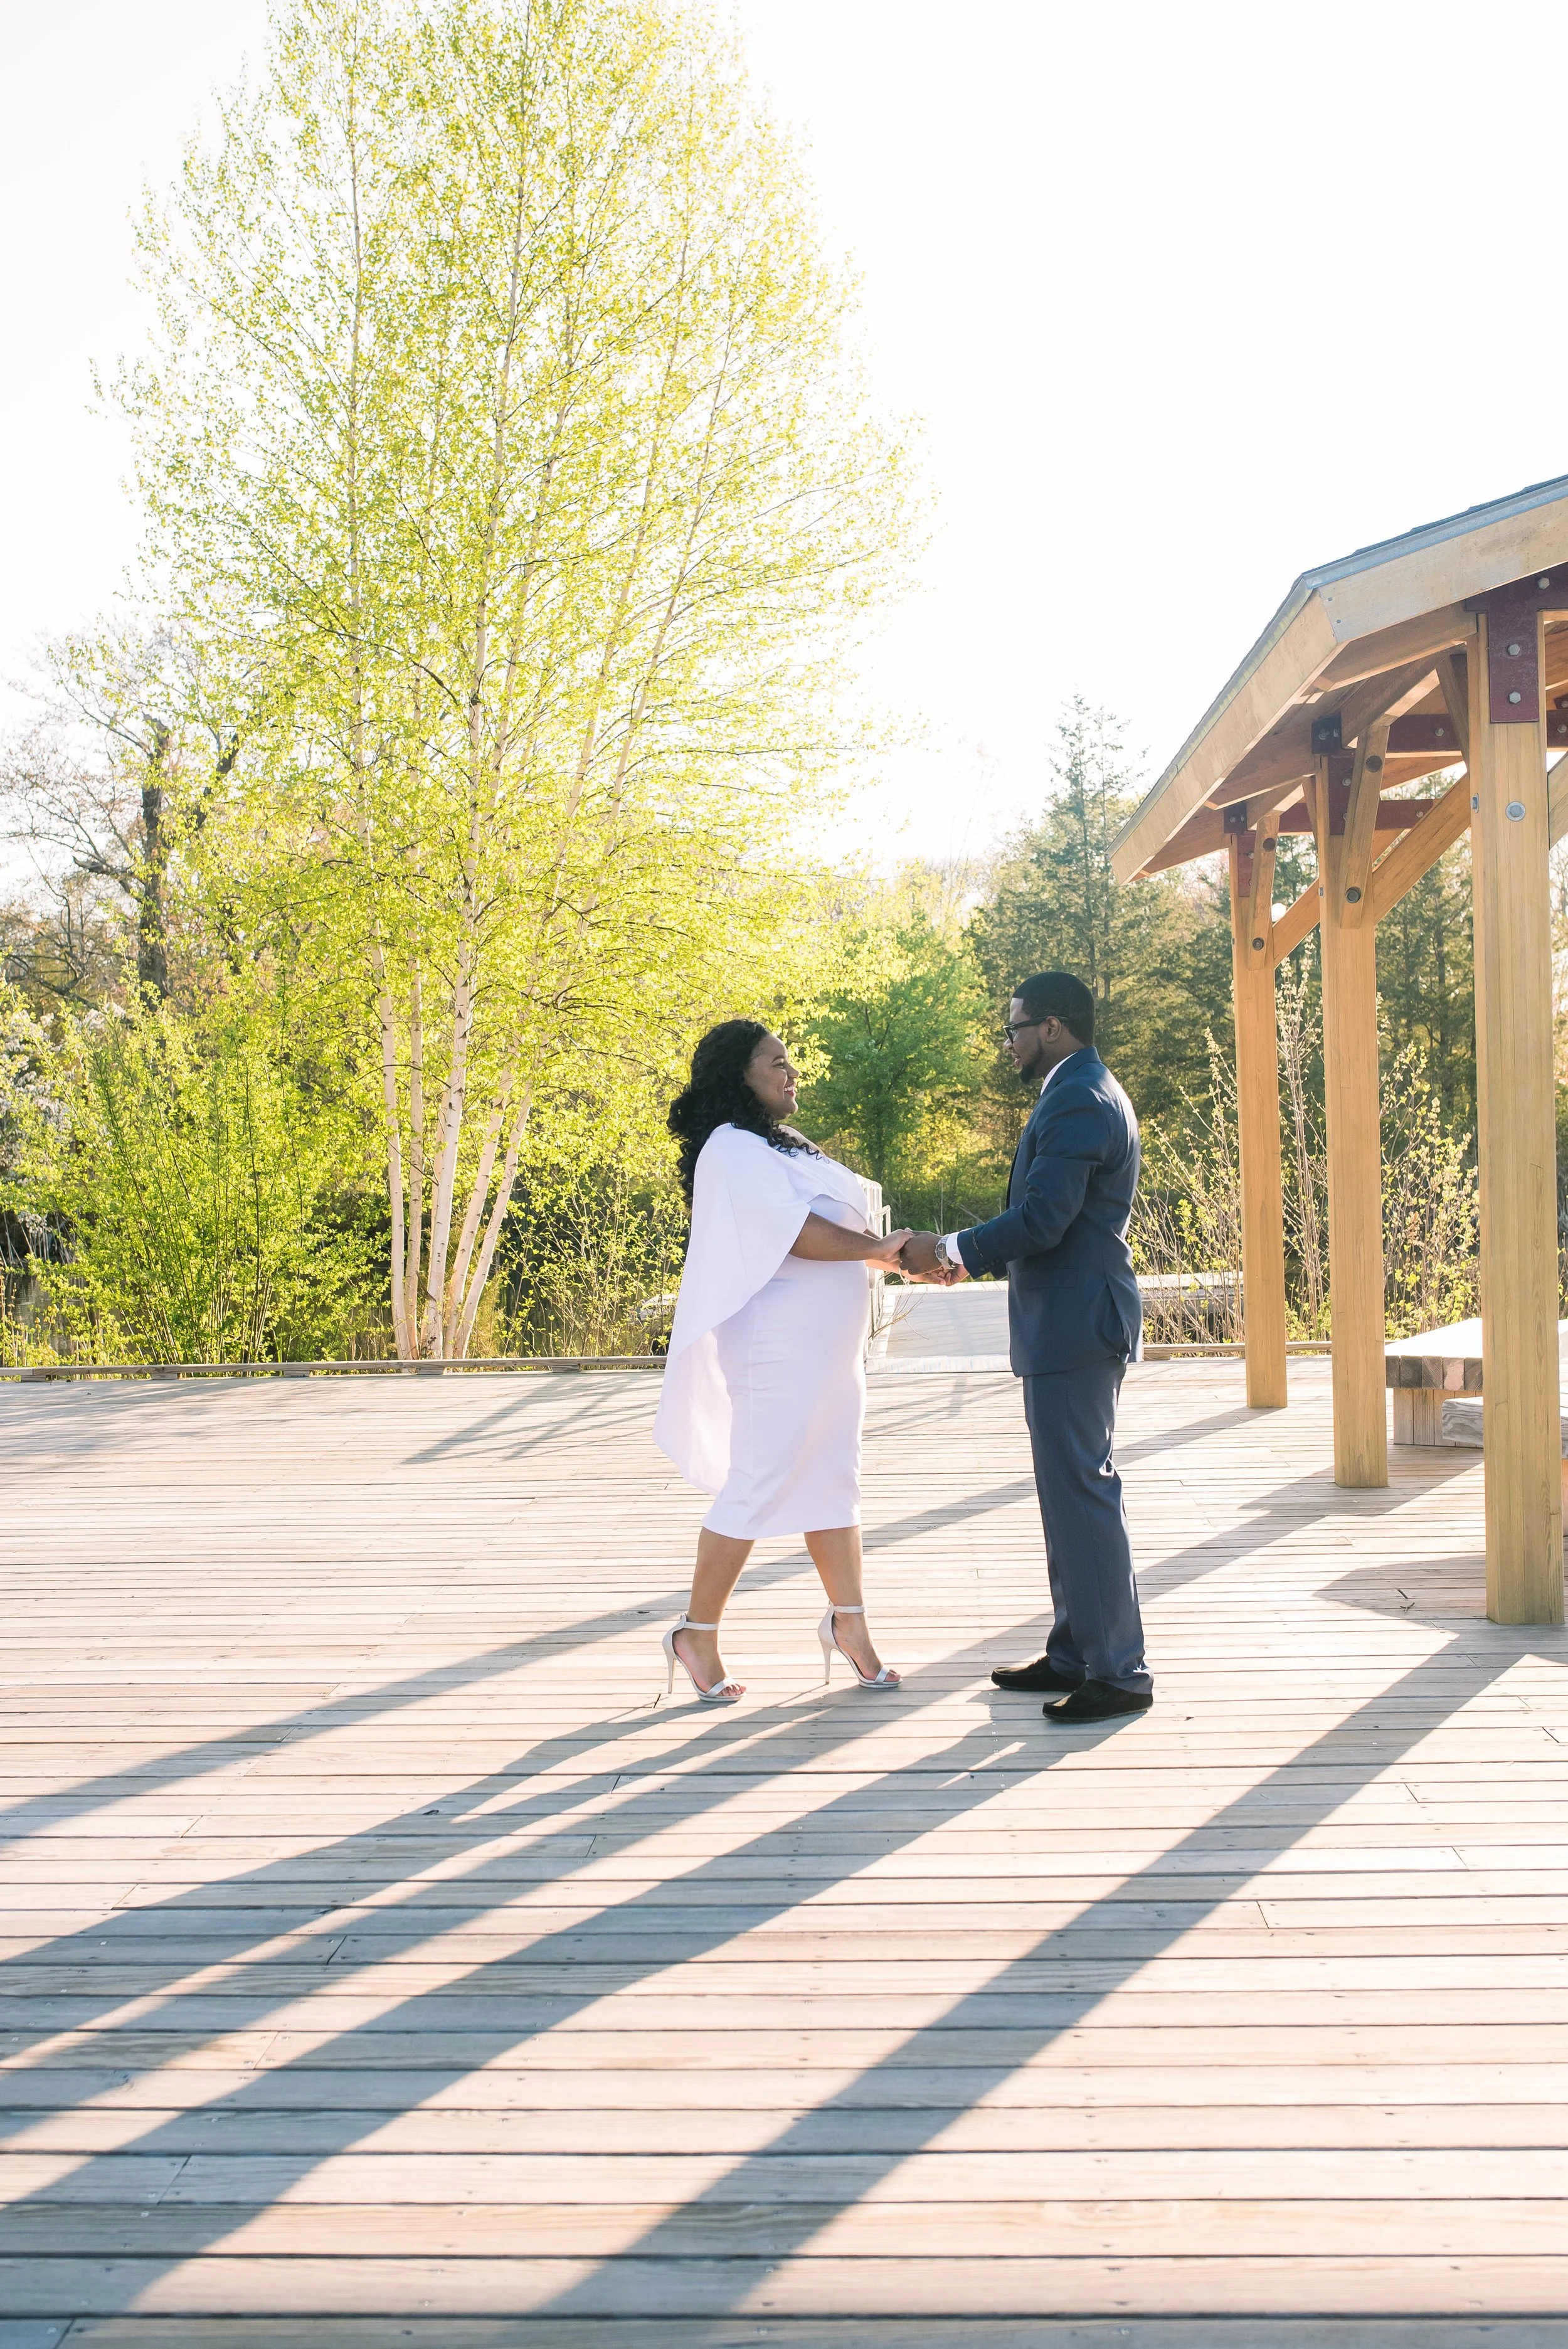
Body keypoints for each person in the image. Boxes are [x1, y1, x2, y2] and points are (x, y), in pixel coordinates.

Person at [901, 970, 1151, 1722]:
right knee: (1065, 1491)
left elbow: (1044, 1218)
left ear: (1050, 1027)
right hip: (1067, 1321)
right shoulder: (1077, 1086)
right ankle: (1076, 1650)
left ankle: (1120, 1673)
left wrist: (948, 1246)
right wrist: (968, 1257)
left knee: (1082, 1490)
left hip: (1078, 1322)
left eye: (1012, 1028)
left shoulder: (1078, 1095)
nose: (1006, 1041)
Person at [654, 1019, 911, 1705]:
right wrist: (881, 1249)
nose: (791, 1072)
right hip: (776, 1343)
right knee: (760, 1476)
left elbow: (845, 1221)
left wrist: (891, 1251)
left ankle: (848, 1625)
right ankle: (695, 1632)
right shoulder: (732, 1149)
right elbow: (795, 1234)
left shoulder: (788, 1145)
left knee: (833, 1475)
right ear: (739, 1075)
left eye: (791, 1061)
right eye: (776, 1062)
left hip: (828, 1348)